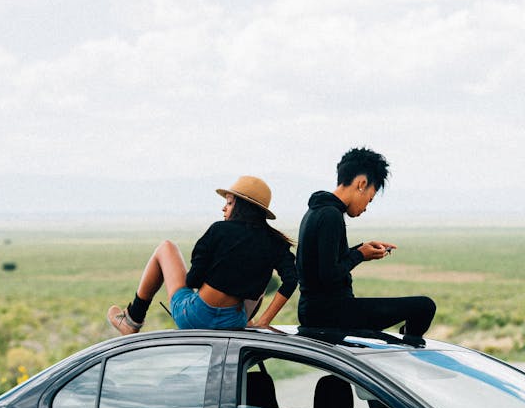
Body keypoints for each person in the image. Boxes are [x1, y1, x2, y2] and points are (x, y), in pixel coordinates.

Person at [107, 175, 298, 334]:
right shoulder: (275, 242)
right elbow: (291, 280)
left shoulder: (219, 230)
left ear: (242, 207)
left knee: (166, 247)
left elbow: (192, 281)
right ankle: (253, 321)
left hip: (195, 317)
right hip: (233, 323)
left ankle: (132, 319)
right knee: (258, 277)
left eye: (229, 203)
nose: (223, 208)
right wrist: (265, 320)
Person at [296, 147, 436, 345]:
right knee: (424, 306)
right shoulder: (330, 215)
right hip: (330, 313)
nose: (366, 207)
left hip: (315, 311)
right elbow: (328, 275)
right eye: (369, 198)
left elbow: (323, 265)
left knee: (419, 308)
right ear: (361, 184)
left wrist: (362, 250)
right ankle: (409, 354)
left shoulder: (316, 211)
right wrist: (360, 255)